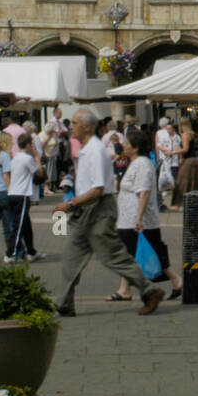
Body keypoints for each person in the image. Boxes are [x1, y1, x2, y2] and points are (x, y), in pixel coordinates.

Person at [52, 108, 164, 317]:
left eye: (74, 123)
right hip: (86, 209)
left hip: (98, 208)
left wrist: (70, 204)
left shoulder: (95, 150)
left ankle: (149, 290)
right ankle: (64, 302)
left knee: (111, 255)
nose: (71, 127)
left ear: (86, 126)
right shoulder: (87, 149)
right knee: (70, 255)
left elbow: (98, 189)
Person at [108, 129, 183, 302]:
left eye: (127, 143)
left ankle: (175, 280)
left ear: (135, 148)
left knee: (146, 253)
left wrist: (139, 218)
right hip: (128, 219)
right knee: (131, 254)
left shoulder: (142, 164)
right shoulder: (136, 162)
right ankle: (124, 290)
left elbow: (144, 193)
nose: (124, 146)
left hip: (140, 220)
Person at [3, 133, 42, 263]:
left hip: (13, 193)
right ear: (28, 145)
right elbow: (39, 173)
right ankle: (10, 254)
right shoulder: (27, 158)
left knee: (26, 225)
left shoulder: (15, 158)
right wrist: (37, 158)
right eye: (32, 145)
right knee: (18, 226)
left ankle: (31, 251)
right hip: (22, 194)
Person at [154, 117, 180, 209]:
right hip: (173, 159)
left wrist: (157, 158)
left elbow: (157, 147)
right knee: (173, 177)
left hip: (163, 158)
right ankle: (173, 199)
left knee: (162, 176)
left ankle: (163, 194)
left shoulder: (158, 133)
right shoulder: (174, 133)